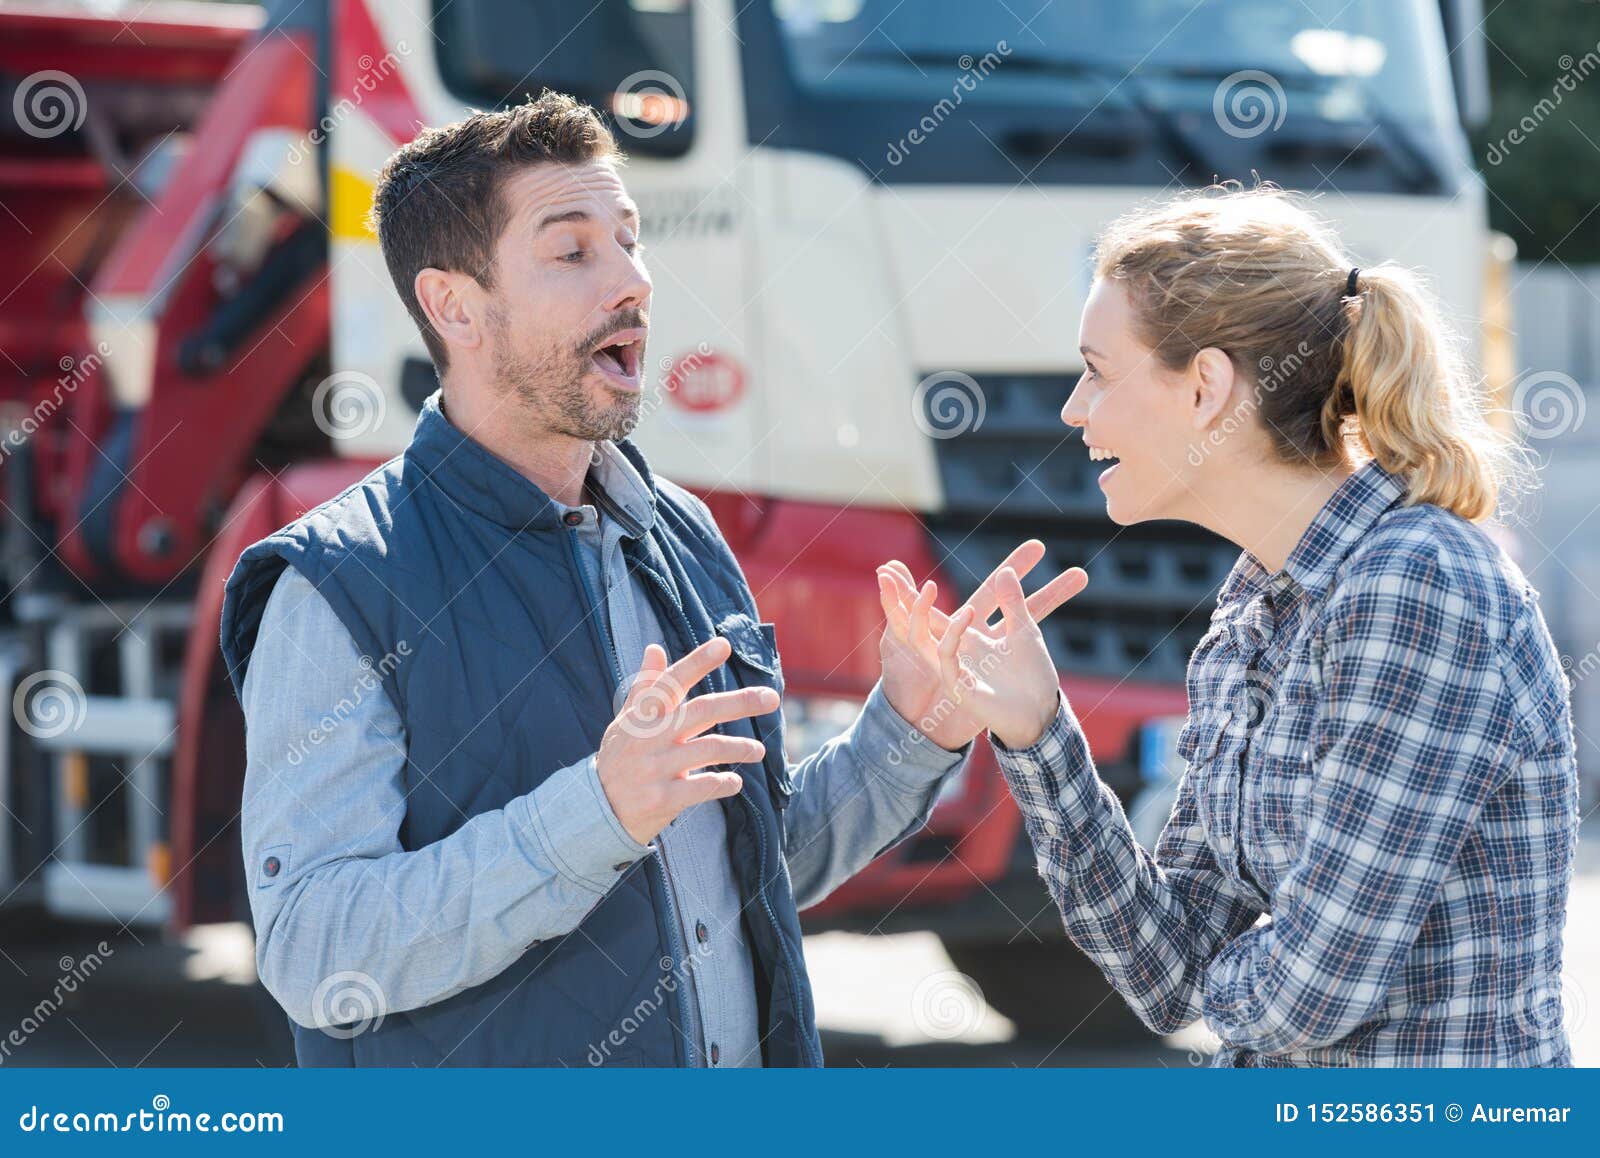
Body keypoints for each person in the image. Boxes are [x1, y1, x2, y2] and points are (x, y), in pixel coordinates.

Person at [220, 91, 1081, 1067]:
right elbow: (315, 950)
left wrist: (911, 730)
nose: (631, 281)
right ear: (454, 306)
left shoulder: (681, 533)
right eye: (573, 251)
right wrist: (597, 813)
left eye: (631, 242)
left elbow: (744, 869)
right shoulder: (337, 585)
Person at [879, 185, 1580, 1067]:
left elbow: (1309, 996)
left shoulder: (1417, 587)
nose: (1073, 410)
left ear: (1207, 386)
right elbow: (1168, 975)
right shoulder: (1254, 609)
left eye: (1098, 371)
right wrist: (1038, 733)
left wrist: (1228, 987)